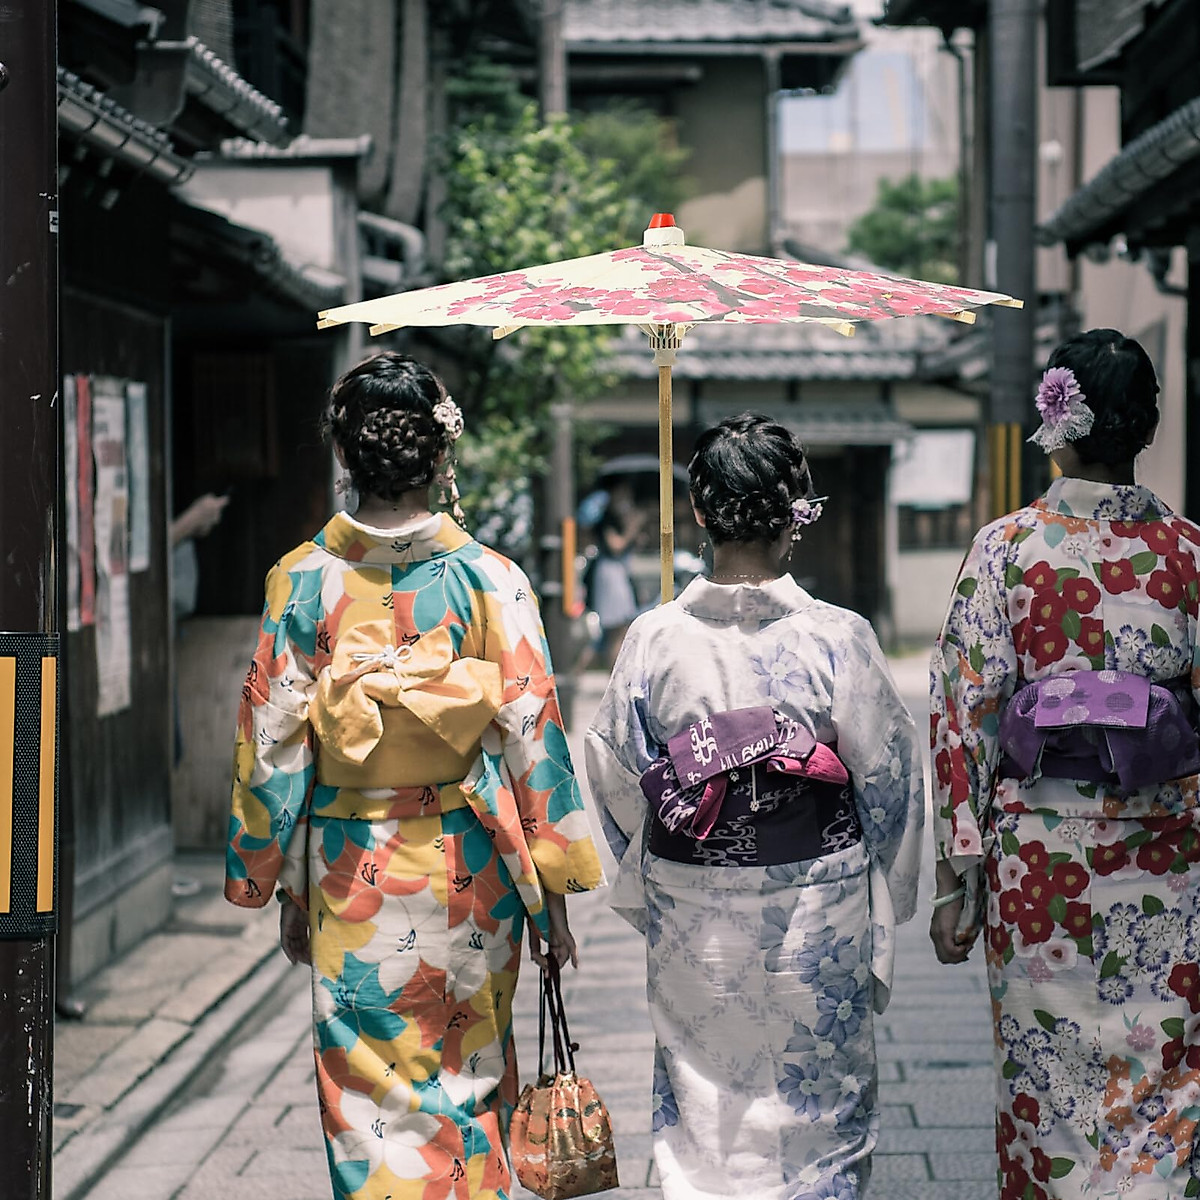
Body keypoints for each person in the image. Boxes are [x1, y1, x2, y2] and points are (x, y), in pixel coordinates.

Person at [224, 352, 604, 1200]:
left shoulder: (302, 580)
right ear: (441, 454)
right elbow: (533, 738)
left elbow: (272, 748)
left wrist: (277, 882)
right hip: (471, 866)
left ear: (343, 452)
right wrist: (553, 896)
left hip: (349, 866)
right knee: (468, 1080)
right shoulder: (491, 579)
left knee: (367, 1101)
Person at [584, 413, 924, 1200]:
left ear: (699, 511)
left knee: (707, 1110)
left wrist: (664, 862)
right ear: (794, 511)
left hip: (693, 903)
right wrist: (885, 892)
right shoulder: (838, 637)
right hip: (818, 901)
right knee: (820, 1104)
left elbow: (616, 777)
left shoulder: (653, 639)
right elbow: (889, 782)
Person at [929, 329, 1200, 1199]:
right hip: (1168, 854)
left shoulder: (1007, 548)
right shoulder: (1188, 552)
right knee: (1163, 1075)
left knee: (1046, 1079)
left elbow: (963, 713)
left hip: (1041, 863)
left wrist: (958, 880)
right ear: (1146, 426)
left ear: (1059, 423)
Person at [583, 482, 645, 669]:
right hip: (610, 575)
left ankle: (594, 669)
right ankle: (610, 672)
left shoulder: (619, 519)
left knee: (621, 629)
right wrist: (633, 526)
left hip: (620, 573)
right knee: (615, 630)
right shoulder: (607, 519)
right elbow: (616, 546)